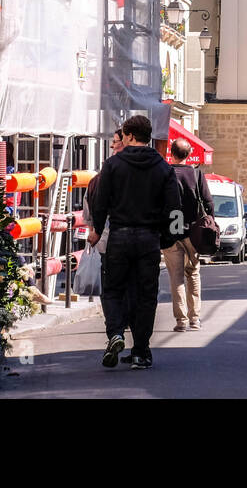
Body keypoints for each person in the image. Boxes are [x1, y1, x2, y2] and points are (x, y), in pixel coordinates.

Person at [88, 115, 181, 371]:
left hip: (119, 235)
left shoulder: (113, 165)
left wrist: (97, 229)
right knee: (146, 295)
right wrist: (168, 237)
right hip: (149, 238)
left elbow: (100, 202)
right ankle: (141, 351)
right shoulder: (164, 168)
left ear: (128, 136)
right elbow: (175, 208)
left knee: (114, 290)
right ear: (148, 136)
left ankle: (116, 333)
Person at [162, 138, 213, 332]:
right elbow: (208, 203)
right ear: (189, 154)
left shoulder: (165, 174)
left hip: (171, 231)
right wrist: (209, 222)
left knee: (176, 277)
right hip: (194, 232)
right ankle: (195, 318)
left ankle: (181, 320)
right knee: (193, 273)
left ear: (171, 153)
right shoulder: (197, 174)